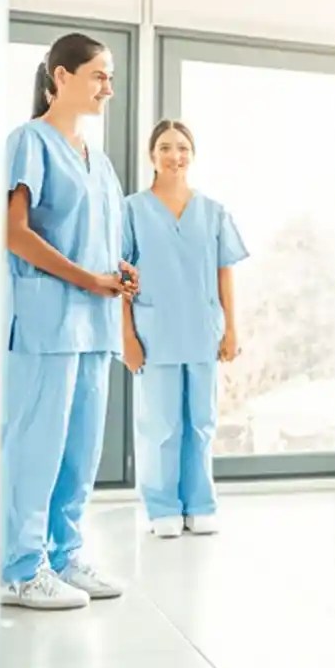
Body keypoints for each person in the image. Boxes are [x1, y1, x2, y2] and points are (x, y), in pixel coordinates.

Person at [1, 33, 139, 610]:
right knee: (37, 445)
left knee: (79, 450)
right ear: (61, 77)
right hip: (47, 320)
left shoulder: (99, 160)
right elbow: (15, 233)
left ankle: (62, 555)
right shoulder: (29, 141)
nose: (109, 86)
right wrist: (89, 279)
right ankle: (17, 568)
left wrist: (119, 272)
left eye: (110, 76)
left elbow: (99, 240)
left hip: (93, 322)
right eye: (99, 75)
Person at [122, 119, 249, 539]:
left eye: (182, 148)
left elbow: (224, 273)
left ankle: (199, 504)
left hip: (201, 329)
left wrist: (231, 329)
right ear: (151, 155)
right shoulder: (132, 210)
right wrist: (127, 337)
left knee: (201, 422)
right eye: (164, 147)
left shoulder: (212, 211)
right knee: (161, 425)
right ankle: (162, 508)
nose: (174, 155)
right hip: (153, 331)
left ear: (192, 155)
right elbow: (118, 279)